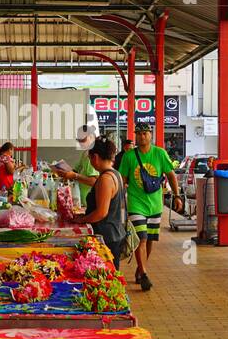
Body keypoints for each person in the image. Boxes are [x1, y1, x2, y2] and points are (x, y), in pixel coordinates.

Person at [116, 123, 182, 291]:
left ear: (150, 135)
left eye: (145, 133)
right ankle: (144, 273)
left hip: (155, 205)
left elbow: (171, 175)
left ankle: (140, 267)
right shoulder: (129, 156)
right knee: (142, 238)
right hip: (136, 204)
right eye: (139, 134)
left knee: (150, 240)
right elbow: (122, 180)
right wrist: (118, 200)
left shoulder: (160, 153)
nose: (142, 136)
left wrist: (177, 196)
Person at [68, 136, 128, 265]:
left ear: (94, 157)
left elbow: (101, 212)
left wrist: (82, 219)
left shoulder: (106, 179)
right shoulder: (115, 174)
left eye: (90, 158)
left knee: (108, 275)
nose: (90, 161)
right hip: (115, 232)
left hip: (107, 236)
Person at [53, 125, 99, 202]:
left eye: (83, 139)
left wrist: (74, 176)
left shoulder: (92, 157)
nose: (80, 142)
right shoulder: (85, 154)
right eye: (79, 140)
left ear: (91, 137)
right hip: (82, 198)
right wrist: (64, 170)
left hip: (90, 199)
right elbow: (76, 170)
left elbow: (94, 181)